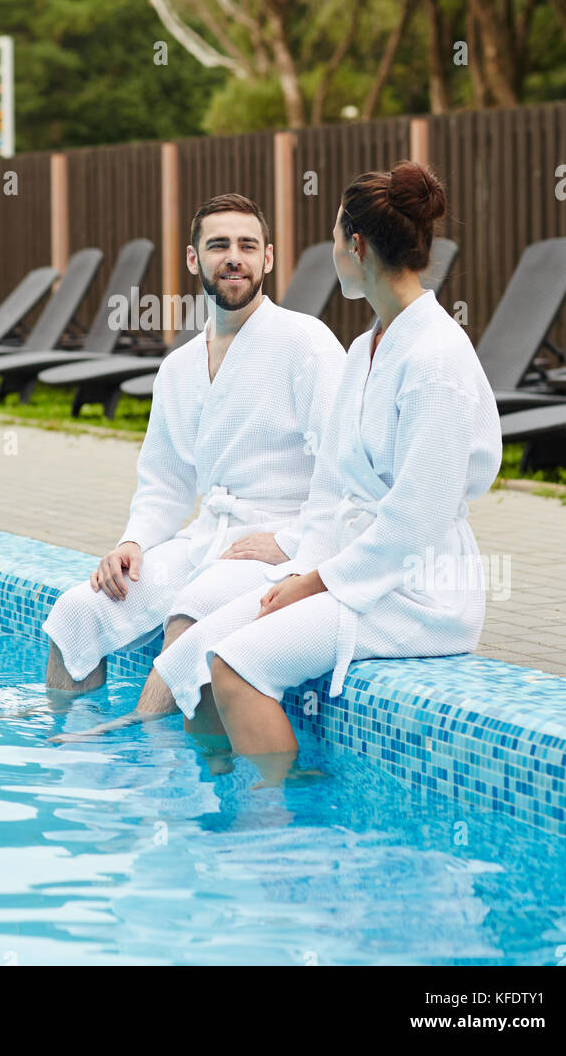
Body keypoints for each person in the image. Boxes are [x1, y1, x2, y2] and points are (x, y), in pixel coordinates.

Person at [154, 162, 503, 784]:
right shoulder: (366, 346)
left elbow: (415, 519)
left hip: (417, 590)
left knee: (233, 665)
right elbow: (332, 489)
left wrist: (319, 581)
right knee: (193, 659)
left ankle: (279, 831)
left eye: (336, 238)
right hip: (353, 565)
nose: (333, 250)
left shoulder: (435, 357)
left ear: (357, 246)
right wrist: (298, 566)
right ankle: (215, 800)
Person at [43, 192, 346, 736]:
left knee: (195, 605)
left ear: (268, 259)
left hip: (283, 541)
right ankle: (68, 741)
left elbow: (343, 469)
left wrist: (292, 540)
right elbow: (165, 481)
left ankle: (147, 755)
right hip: (210, 535)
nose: (234, 257)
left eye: (247, 246)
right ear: (193, 260)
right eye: (219, 245)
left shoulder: (307, 344)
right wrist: (134, 541)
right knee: (77, 610)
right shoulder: (179, 367)